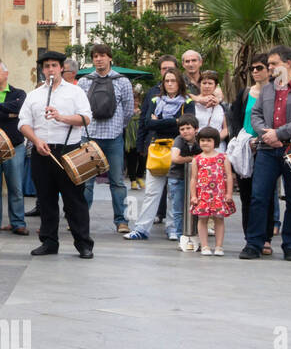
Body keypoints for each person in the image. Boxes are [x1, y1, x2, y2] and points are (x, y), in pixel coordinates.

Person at [241, 45, 291, 261]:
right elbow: (256, 115)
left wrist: (279, 134)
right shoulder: (268, 89)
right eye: (269, 65)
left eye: (273, 64)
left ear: (288, 63)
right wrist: (266, 134)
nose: (270, 68)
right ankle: (254, 244)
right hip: (267, 150)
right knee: (259, 197)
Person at [18, 51, 94, 258]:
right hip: (42, 150)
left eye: (54, 66)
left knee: (74, 200)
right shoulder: (34, 95)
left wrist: (62, 117)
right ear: (42, 70)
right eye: (46, 66)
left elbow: (86, 118)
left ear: (61, 68)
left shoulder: (75, 92)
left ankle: (84, 244)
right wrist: (36, 141)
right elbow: (23, 123)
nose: (50, 69)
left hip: (68, 149)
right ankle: (49, 242)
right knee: (46, 199)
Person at [127, 67, 192, 240]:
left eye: (173, 80)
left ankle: (173, 228)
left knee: (174, 192)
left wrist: (162, 121)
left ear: (180, 83)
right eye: (167, 81)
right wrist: (174, 121)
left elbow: (188, 125)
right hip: (157, 148)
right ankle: (141, 228)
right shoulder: (156, 100)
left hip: (178, 148)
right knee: (151, 192)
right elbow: (148, 123)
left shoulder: (187, 102)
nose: (170, 84)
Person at [78, 43, 135, 233]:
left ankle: (121, 221)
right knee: (86, 182)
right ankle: (80, 219)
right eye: (95, 56)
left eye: (102, 55)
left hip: (113, 138)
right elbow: (81, 108)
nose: (99, 59)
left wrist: (118, 127)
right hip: (89, 137)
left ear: (110, 57)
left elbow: (128, 110)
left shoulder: (123, 81)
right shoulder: (85, 81)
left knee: (117, 181)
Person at [228, 55, 277, 255]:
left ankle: (266, 238)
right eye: (252, 68)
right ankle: (251, 238)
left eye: (259, 67)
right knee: (247, 195)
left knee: (266, 195)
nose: (255, 71)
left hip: (268, 148)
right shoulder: (245, 93)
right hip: (246, 149)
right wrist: (242, 139)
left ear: (269, 70)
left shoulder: (276, 93)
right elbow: (235, 119)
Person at [0, 58, 27, 236]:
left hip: (14, 146)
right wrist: (8, 112)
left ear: (6, 73)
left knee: (15, 186)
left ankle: (18, 222)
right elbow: (7, 112)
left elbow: (19, 109)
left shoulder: (20, 93)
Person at [189, 126, 234, 256]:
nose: (205, 143)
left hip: (219, 195)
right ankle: (205, 246)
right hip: (202, 195)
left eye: (209, 140)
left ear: (215, 142)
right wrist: (193, 196)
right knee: (202, 219)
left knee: (219, 219)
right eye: (202, 140)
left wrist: (229, 193)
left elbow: (229, 176)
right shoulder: (196, 159)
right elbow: (194, 179)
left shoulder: (223, 158)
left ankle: (219, 246)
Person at [168, 115, 201, 250]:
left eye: (188, 128)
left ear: (196, 129)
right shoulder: (179, 140)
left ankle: (196, 236)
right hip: (178, 177)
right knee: (178, 210)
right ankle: (181, 236)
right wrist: (193, 158)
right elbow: (175, 157)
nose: (185, 131)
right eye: (182, 129)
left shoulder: (200, 140)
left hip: (196, 179)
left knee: (197, 209)